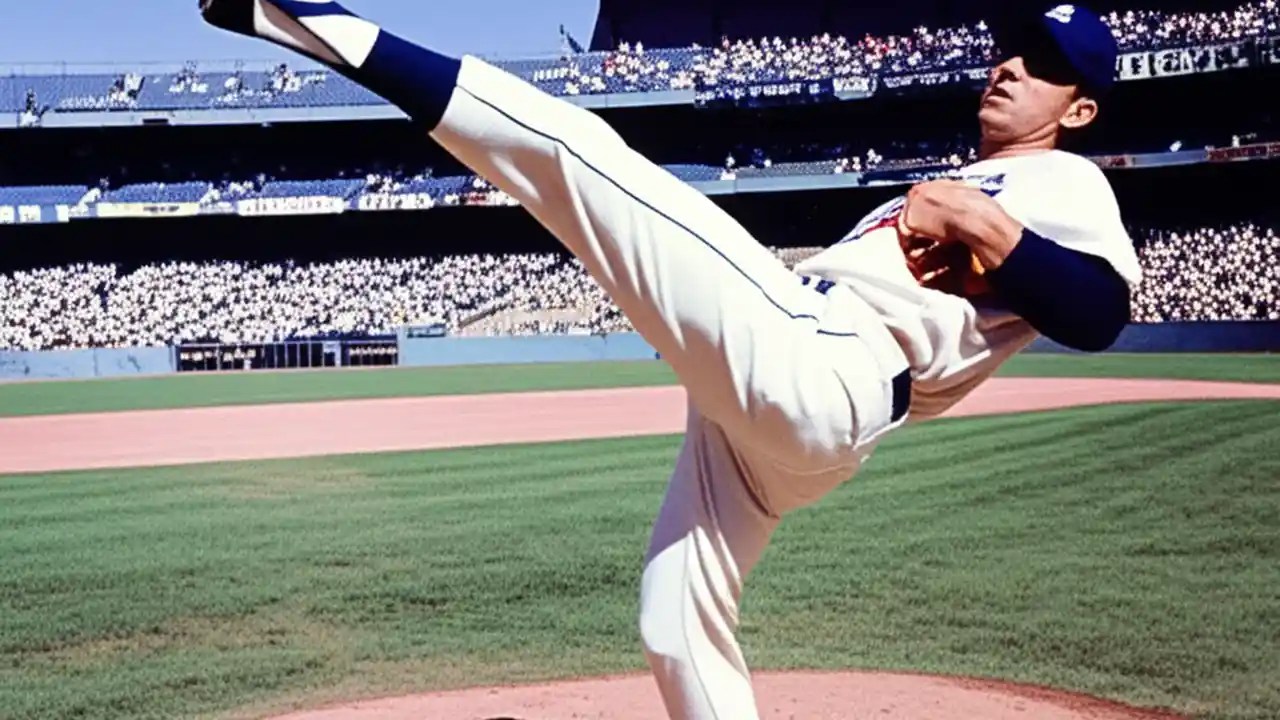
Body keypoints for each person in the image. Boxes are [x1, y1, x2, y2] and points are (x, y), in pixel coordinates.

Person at [198, 2, 1140, 718]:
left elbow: (1099, 313)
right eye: (1013, 50)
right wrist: (961, 208)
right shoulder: (974, 173)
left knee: (574, 149)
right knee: (676, 619)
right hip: (793, 408)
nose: (1011, 66)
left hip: (826, 360)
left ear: (1082, 107)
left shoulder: (1066, 179)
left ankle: (303, 16)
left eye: (1046, 66)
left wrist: (979, 220)